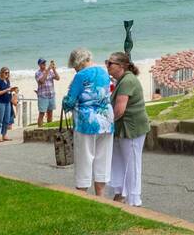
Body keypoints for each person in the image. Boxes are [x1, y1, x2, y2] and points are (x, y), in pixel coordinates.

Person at [62, 48, 114, 197]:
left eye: (74, 66)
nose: (74, 69)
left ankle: (82, 193)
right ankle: (101, 195)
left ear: (78, 62)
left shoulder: (80, 76)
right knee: (103, 158)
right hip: (106, 121)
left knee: (84, 158)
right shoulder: (104, 72)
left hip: (87, 122)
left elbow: (70, 102)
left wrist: (65, 101)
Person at [105, 52, 150, 207]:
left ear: (121, 66)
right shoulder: (122, 80)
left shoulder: (127, 81)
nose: (107, 66)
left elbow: (119, 110)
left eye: (110, 63)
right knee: (121, 162)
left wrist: (106, 123)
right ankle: (122, 194)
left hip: (132, 128)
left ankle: (134, 199)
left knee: (132, 163)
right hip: (123, 129)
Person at [0, 67, 15, 141]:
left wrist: (11, 90)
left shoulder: (7, 81)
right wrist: (5, 90)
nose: (7, 74)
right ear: (2, 73)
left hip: (7, 102)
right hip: (0, 103)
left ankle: (4, 134)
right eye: (5, 73)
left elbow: (8, 90)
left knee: (7, 119)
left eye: (8, 73)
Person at [35, 58, 60, 126]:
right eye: (42, 63)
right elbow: (42, 81)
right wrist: (48, 70)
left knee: (50, 113)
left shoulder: (50, 72)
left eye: (45, 63)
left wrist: (54, 69)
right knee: (42, 113)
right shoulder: (37, 73)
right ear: (39, 64)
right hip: (43, 96)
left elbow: (58, 78)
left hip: (51, 95)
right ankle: (40, 129)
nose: (44, 64)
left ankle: (48, 128)